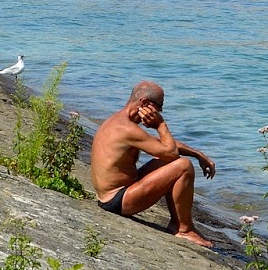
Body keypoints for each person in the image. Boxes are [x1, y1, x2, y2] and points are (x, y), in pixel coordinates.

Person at [91, 81, 217, 247]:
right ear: (144, 103)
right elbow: (171, 153)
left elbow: (159, 144)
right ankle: (183, 229)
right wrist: (160, 125)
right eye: (159, 106)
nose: (160, 111)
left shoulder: (119, 121)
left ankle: (179, 224)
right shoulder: (127, 129)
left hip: (118, 193)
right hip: (116, 200)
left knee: (169, 162)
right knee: (183, 166)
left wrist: (197, 153)